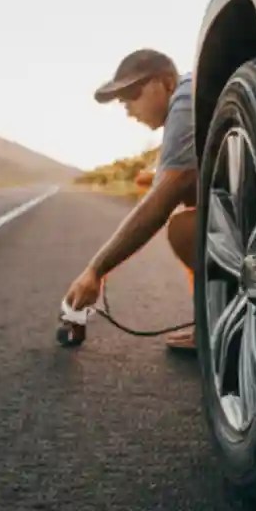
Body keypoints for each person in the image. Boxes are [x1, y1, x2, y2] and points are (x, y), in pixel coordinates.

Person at [63, 48, 198, 351]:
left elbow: (167, 194)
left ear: (165, 82)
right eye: (123, 102)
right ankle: (211, 322)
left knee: (185, 227)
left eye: (132, 95)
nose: (127, 109)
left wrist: (95, 270)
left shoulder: (184, 100)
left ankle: (222, 327)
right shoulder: (190, 100)